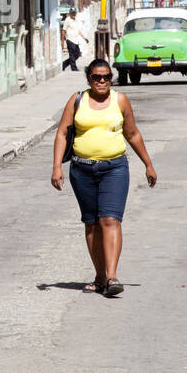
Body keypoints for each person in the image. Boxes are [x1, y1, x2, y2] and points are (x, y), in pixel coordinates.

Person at [51, 58, 157, 298]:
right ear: (89, 78)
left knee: (110, 220)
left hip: (114, 169)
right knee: (91, 224)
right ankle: (99, 277)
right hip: (82, 170)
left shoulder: (120, 101)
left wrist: (148, 164)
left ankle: (112, 276)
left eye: (106, 77)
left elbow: (132, 133)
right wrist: (57, 167)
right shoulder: (77, 100)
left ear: (111, 78)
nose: (102, 81)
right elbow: (61, 135)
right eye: (97, 77)